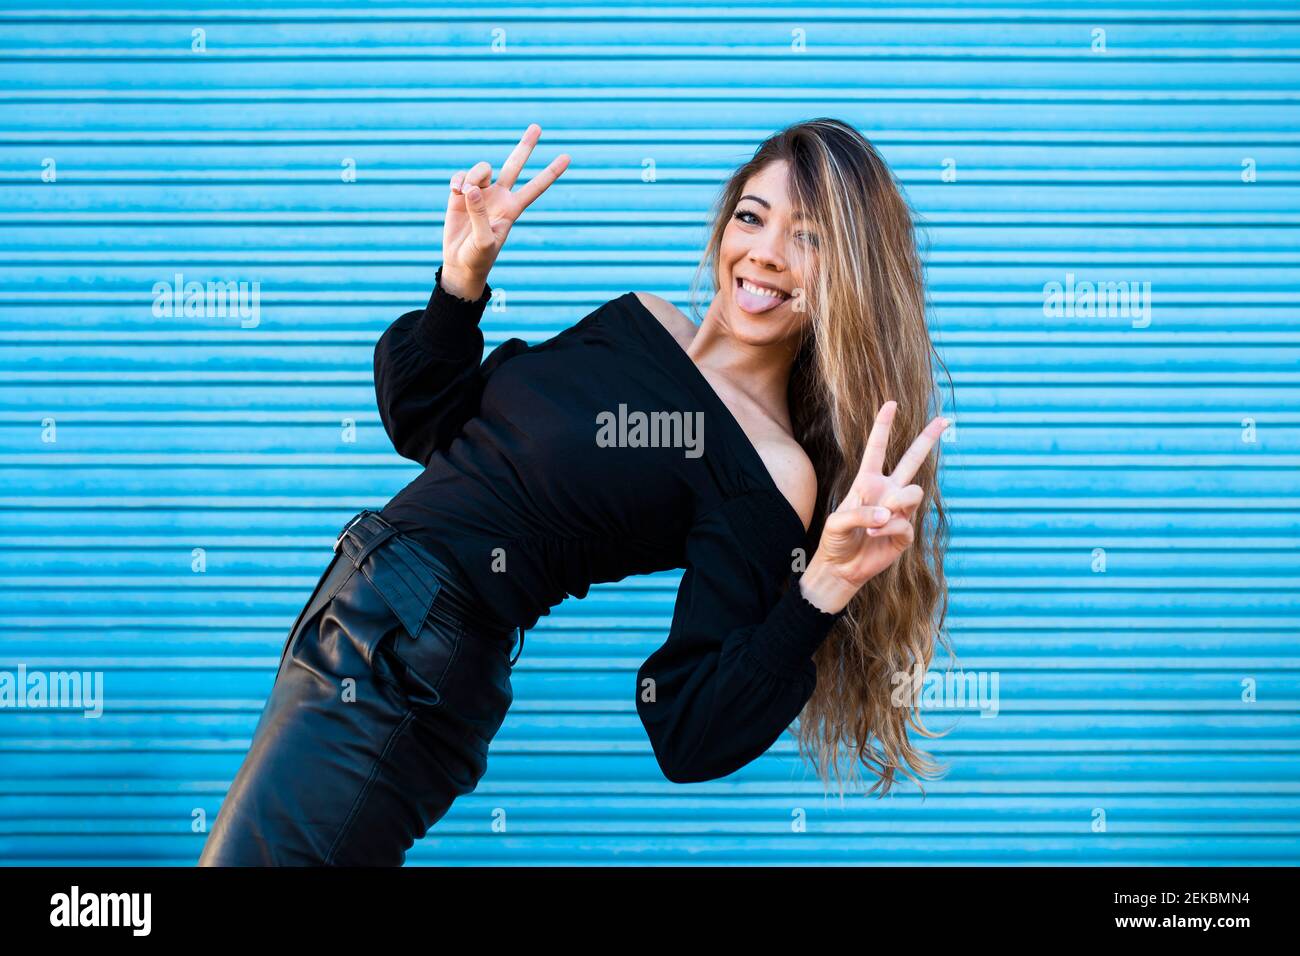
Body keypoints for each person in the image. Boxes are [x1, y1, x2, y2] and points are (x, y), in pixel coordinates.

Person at [198, 119, 951, 866]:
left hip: (410, 652)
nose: (764, 252)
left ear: (849, 274)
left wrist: (823, 583)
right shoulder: (641, 319)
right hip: (358, 611)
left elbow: (687, 728)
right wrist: (459, 287)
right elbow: (429, 425)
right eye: (752, 217)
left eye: (809, 239)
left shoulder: (771, 465)